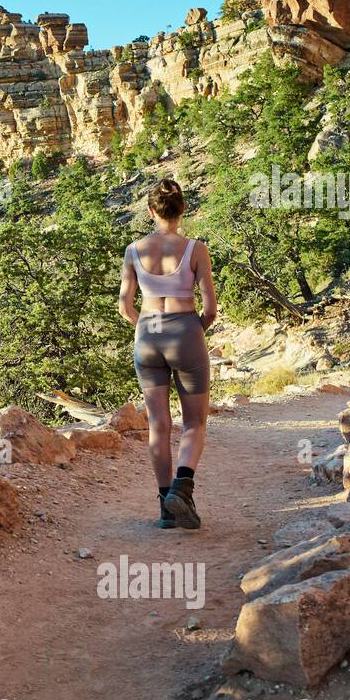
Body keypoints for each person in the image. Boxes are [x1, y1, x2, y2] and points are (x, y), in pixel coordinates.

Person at [117, 179, 217, 529]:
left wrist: (145, 329)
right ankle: (182, 489)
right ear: (183, 209)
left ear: (150, 211)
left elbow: (125, 306)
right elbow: (211, 308)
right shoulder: (195, 249)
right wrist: (193, 330)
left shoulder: (134, 250)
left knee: (158, 424)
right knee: (194, 422)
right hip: (185, 330)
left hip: (147, 333)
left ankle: (165, 508)